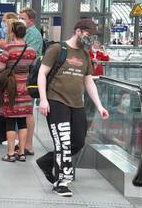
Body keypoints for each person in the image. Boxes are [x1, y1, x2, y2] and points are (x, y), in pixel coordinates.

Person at [35, 17, 110, 198]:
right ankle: (61, 182)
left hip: (77, 104)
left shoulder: (84, 55)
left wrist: (99, 106)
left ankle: (46, 162)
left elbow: (88, 80)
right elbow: (42, 73)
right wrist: (43, 99)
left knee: (78, 141)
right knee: (63, 142)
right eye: (88, 34)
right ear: (78, 31)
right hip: (56, 101)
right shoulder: (57, 49)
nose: (91, 38)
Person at [0, 21, 36, 162]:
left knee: (10, 121)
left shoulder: (9, 49)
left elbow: (0, 68)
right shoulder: (31, 50)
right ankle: (22, 152)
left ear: (12, 33)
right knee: (22, 120)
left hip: (10, 88)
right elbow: (33, 69)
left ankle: (11, 153)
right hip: (25, 89)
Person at [19, 7, 44, 156]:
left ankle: (28, 145)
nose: (20, 20)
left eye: (23, 18)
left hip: (29, 77)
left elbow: (30, 56)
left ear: (31, 20)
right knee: (23, 111)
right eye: (19, 17)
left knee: (28, 112)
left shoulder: (33, 34)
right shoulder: (26, 33)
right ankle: (23, 143)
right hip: (24, 75)